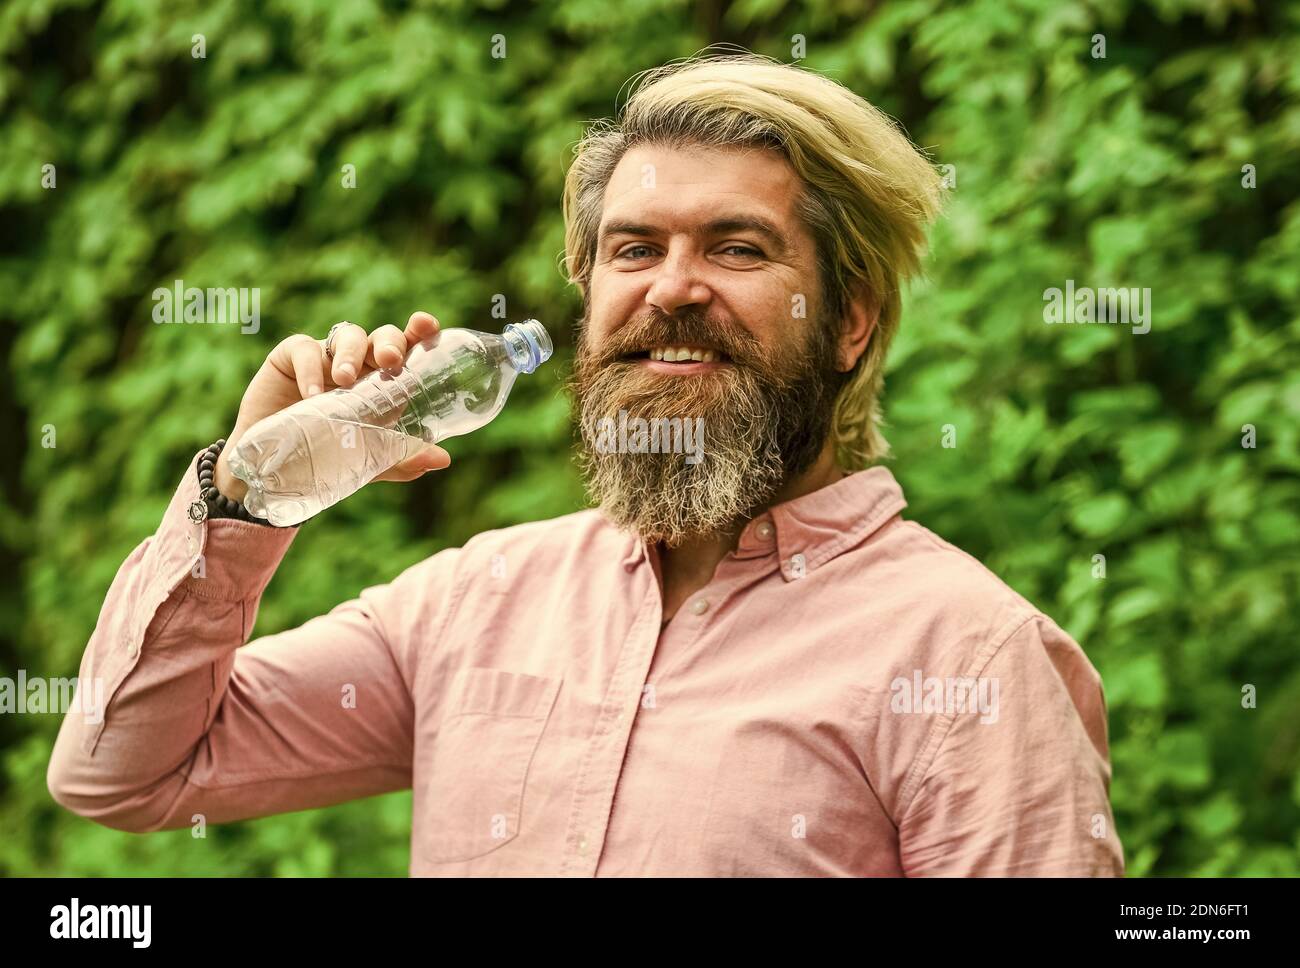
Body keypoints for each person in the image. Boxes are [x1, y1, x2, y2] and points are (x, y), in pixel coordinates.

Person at [48, 51, 1124, 877]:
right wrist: (247, 492)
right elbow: (124, 768)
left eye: (737, 249)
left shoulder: (973, 659)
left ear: (848, 321)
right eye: (633, 247)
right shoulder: (474, 601)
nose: (671, 288)